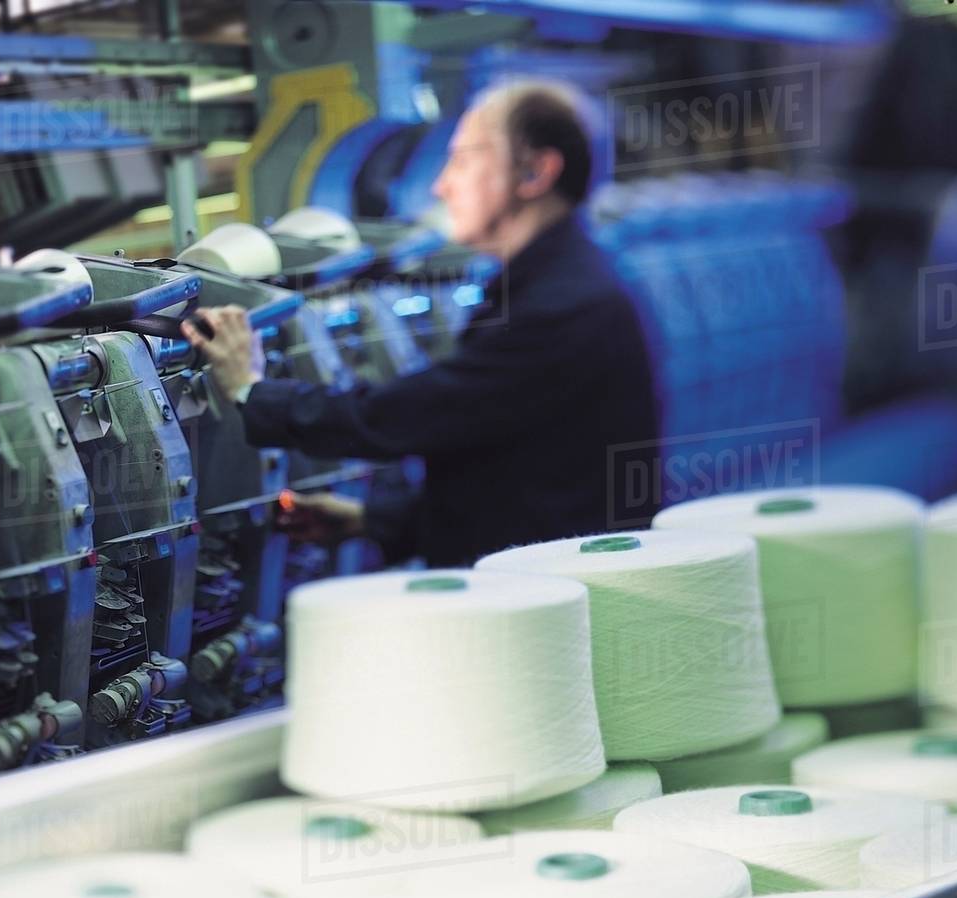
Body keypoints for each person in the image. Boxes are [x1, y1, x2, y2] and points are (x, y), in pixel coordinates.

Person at [182, 79, 659, 567]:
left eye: (464, 160)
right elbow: (516, 468)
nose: (441, 184)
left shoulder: (563, 305)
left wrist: (251, 389)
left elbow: (416, 414)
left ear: (535, 172)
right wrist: (378, 521)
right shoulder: (562, 282)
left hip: (545, 598)